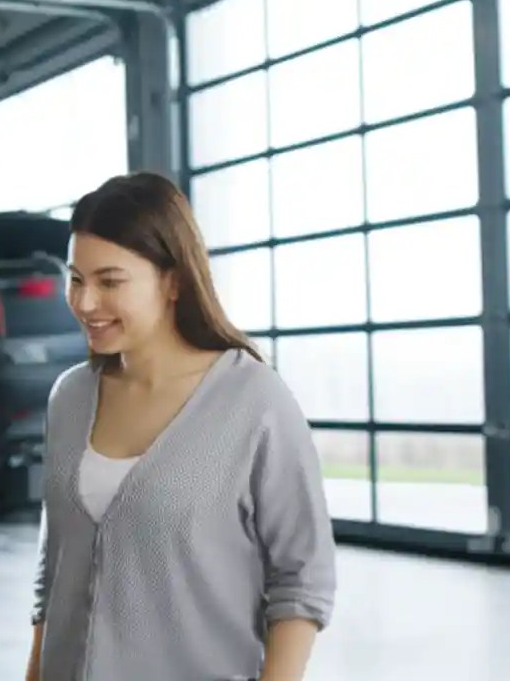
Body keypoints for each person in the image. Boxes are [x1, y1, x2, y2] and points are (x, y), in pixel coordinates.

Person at [26, 172, 336, 681]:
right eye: (76, 279)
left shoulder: (254, 400)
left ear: (173, 281)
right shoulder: (70, 397)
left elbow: (302, 577)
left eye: (110, 281)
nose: (84, 302)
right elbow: (54, 567)